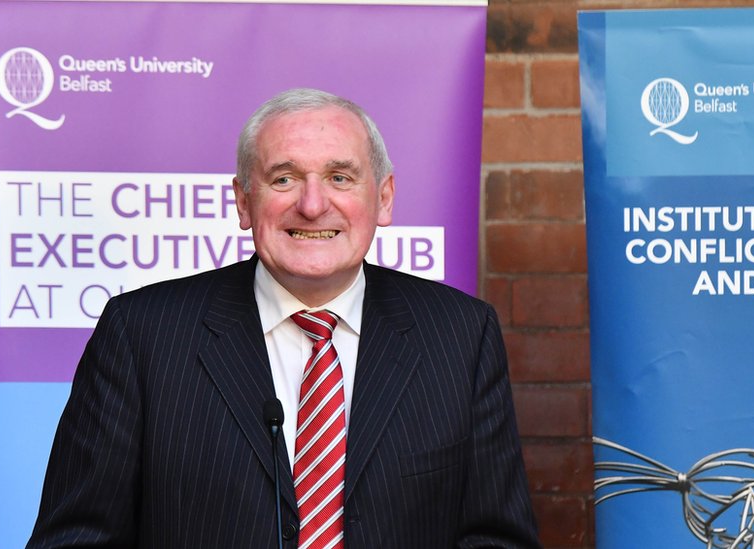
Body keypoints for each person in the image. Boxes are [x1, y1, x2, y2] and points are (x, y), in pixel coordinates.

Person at [28, 88, 540, 548]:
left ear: (383, 199)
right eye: (284, 178)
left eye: (340, 177)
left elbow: (496, 538)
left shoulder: (461, 335)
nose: (312, 205)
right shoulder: (142, 335)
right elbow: (75, 538)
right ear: (243, 201)